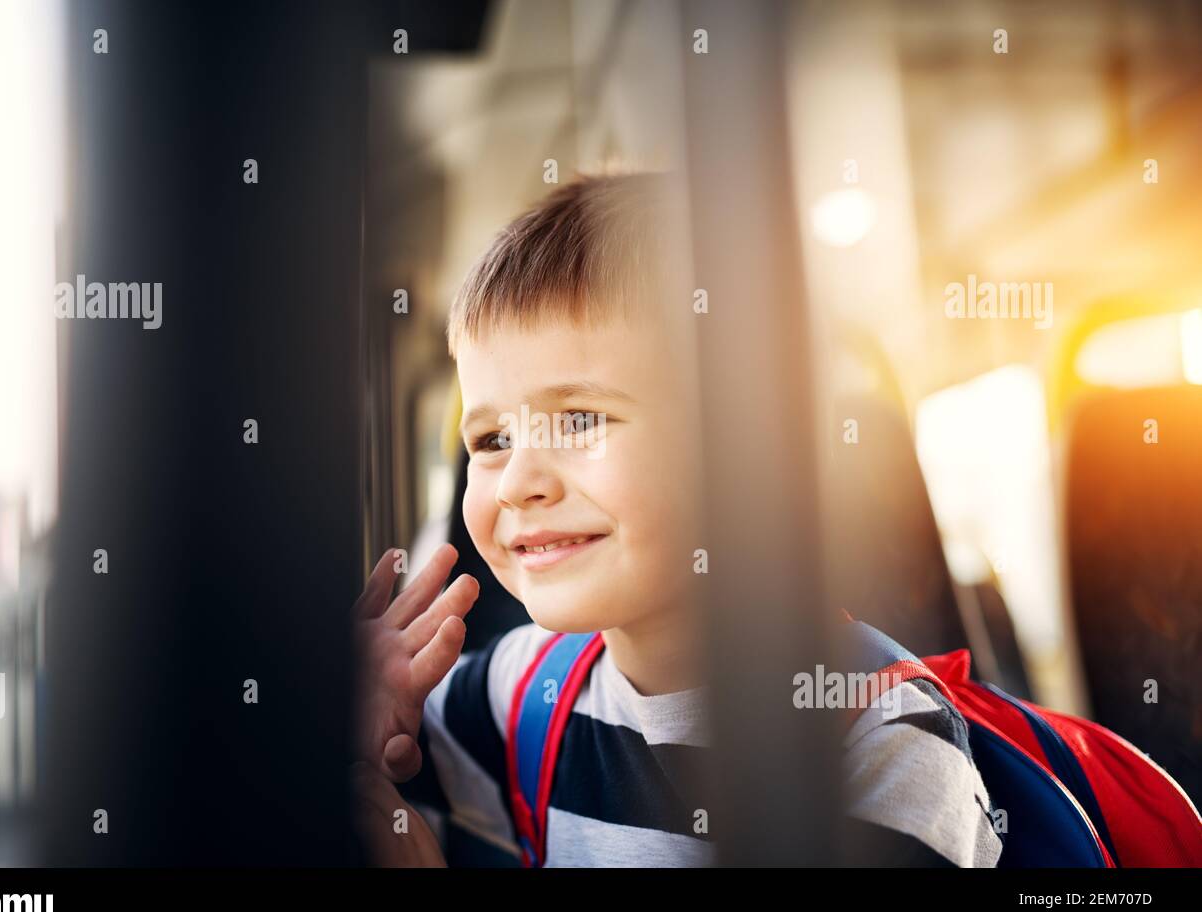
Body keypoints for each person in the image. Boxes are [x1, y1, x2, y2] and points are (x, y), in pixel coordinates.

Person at [351, 172, 1002, 867]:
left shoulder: (882, 744)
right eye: (491, 440)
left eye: (579, 419)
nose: (517, 482)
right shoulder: (525, 690)